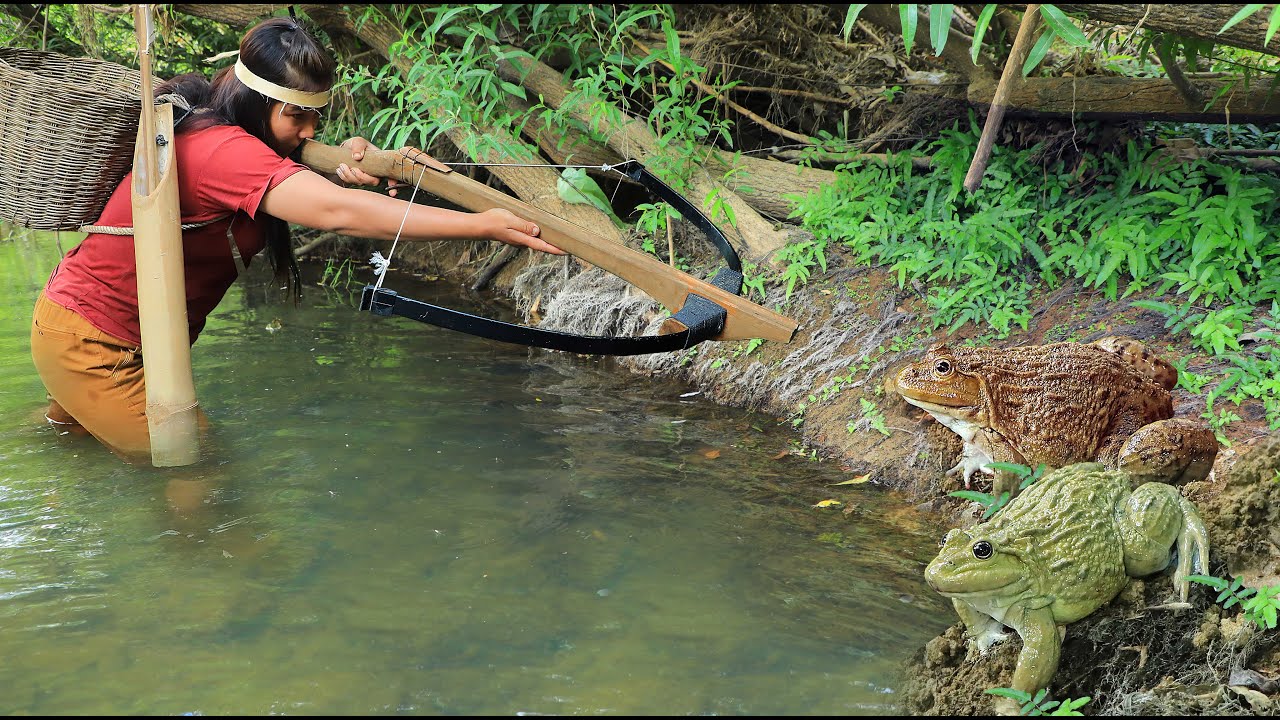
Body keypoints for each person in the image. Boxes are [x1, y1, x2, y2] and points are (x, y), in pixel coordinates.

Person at [29, 17, 564, 464]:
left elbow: (311, 176)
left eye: (317, 116)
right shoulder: (225, 152)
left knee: (62, 445)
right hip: (97, 344)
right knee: (197, 470)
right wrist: (483, 224)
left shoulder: (233, 128)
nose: (309, 131)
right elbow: (338, 213)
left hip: (94, 327)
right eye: (297, 115)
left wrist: (350, 160)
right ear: (256, 99)